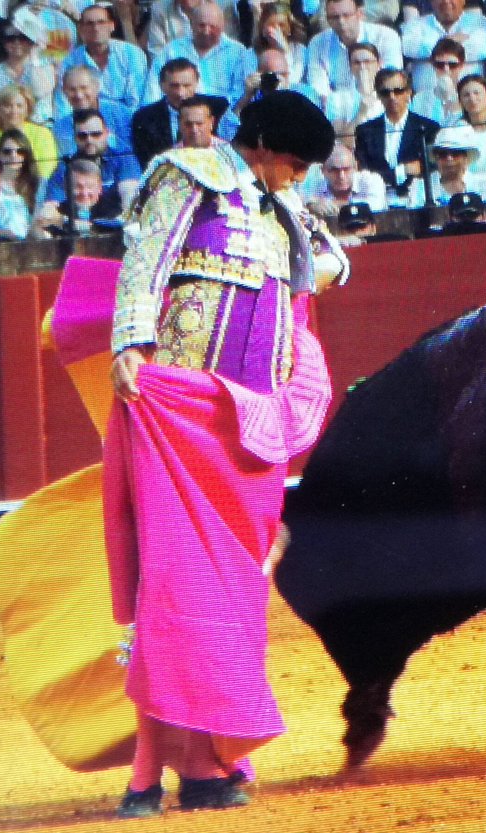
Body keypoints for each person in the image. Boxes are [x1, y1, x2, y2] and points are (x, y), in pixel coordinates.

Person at [106, 90, 345, 819]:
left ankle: (210, 762)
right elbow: (145, 259)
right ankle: (159, 770)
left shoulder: (285, 210)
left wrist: (308, 244)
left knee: (233, 597)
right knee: (176, 592)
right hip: (182, 418)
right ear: (264, 145)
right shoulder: (189, 176)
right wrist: (130, 341)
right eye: (295, 164)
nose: (300, 178)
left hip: (250, 430)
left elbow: (333, 264)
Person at [354, 68, 441, 208]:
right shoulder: (365, 131)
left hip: (418, 200)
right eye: (385, 92)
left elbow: (433, 167)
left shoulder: (428, 128)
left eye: (398, 91)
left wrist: (385, 175)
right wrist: (402, 171)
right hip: (377, 201)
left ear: (408, 93)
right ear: (379, 96)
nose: (392, 97)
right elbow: (364, 174)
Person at [145, 2, 247, 107]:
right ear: (191, 24)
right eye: (201, 25)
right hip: (178, 112)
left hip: (223, 114)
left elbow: (239, 93)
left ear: (222, 26)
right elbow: (154, 87)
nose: (206, 31)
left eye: (212, 26)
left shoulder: (237, 52)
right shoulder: (172, 50)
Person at [132, 60, 226, 169]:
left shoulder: (218, 108)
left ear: (197, 83)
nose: (180, 93)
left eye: (186, 85)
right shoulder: (144, 118)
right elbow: (147, 162)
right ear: (162, 86)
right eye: (174, 86)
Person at [44, 109, 142, 211]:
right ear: (75, 138)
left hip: (115, 218)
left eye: (96, 134)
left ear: (107, 133)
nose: (89, 140)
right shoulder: (64, 167)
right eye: (82, 136)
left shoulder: (124, 158)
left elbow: (129, 197)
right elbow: (52, 206)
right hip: (76, 219)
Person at [307, 0, 404, 102]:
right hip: (335, 106)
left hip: (379, 102)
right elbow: (319, 90)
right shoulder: (317, 43)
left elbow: (392, 81)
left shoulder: (386, 36)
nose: (341, 22)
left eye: (346, 15)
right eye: (335, 17)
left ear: (360, 14)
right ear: (327, 19)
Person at [60, 4, 149, 114]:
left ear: (112, 26)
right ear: (80, 29)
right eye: (89, 24)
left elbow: (136, 100)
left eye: (101, 22)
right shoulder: (70, 61)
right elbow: (64, 103)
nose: (96, 28)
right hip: (84, 118)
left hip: (126, 118)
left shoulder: (131, 53)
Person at [0, 8, 57, 127]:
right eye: (10, 39)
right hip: (4, 129)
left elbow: (39, 92)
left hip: (41, 127)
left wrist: (35, 54)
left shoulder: (46, 67)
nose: (17, 42)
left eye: (23, 38)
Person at [400, 0, 486, 96]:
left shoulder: (479, 22)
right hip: (426, 100)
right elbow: (408, 48)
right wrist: (451, 41)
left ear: (463, 1)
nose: (446, 1)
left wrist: (433, 48)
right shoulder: (415, 24)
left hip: (470, 99)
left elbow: (482, 50)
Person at [0, 86, 60, 179]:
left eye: (19, 106)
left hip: (36, 184)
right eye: (7, 106)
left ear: (28, 109)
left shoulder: (42, 133)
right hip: (0, 185)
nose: (14, 111)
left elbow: (46, 170)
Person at [54, 66, 135, 160]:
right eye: (72, 90)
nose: (79, 95)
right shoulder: (60, 127)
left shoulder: (121, 114)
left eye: (84, 88)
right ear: (64, 92)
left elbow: (131, 152)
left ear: (96, 87)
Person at [37, 157, 122, 235]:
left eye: (90, 187)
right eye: (78, 187)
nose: (84, 193)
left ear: (100, 187)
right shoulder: (58, 211)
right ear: (66, 187)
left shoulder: (114, 209)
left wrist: (62, 220)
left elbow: (108, 228)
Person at [301, 142, 388, 215]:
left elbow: (374, 207)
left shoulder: (371, 180)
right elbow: (304, 207)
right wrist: (310, 206)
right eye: (334, 170)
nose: (341, 176)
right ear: (323, 170)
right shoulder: (315, 187)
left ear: (356, 167)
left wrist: (330, 205)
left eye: (346, 169)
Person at [325, 43, 387, 143]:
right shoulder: (337, 98)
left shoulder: (391, 94)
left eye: (367, 62)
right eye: (357, 63)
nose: (362, 67)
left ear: (379, 64)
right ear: (350, 66)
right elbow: (341, 140)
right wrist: (361, 113)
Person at [241, 3, 307, 88]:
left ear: (289, 28)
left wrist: (285, 51)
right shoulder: (250, 53)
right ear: (263, 28)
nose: (277, 30)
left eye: (281, 25)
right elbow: (251, 81)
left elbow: (293, 81)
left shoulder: (300, 50)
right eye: (271, 25)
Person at [424, 124, 486, 205]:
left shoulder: (481, 187)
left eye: (455, 153)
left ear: (465, 159)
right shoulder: (421, 188)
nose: (449, 158)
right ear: (436, 159)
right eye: (443, 154)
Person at [410, 38, 470, 125]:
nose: (446, 69)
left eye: (452, 65)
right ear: (433, 64)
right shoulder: (419, 99)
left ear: (461, 65)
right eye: (440, 65)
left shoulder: (469, 96)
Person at [0, 128, 46, 222]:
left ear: (27, 155)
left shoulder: (39, 183)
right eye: (7, 152)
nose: (13, 156)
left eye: (20, 152)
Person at [335, 200, 409, 243]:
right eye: (350, 228)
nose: (356, 231)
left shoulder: (390, 244)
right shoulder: (332, 254)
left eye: (361, 227)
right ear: (340, 232)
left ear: (373, 228)